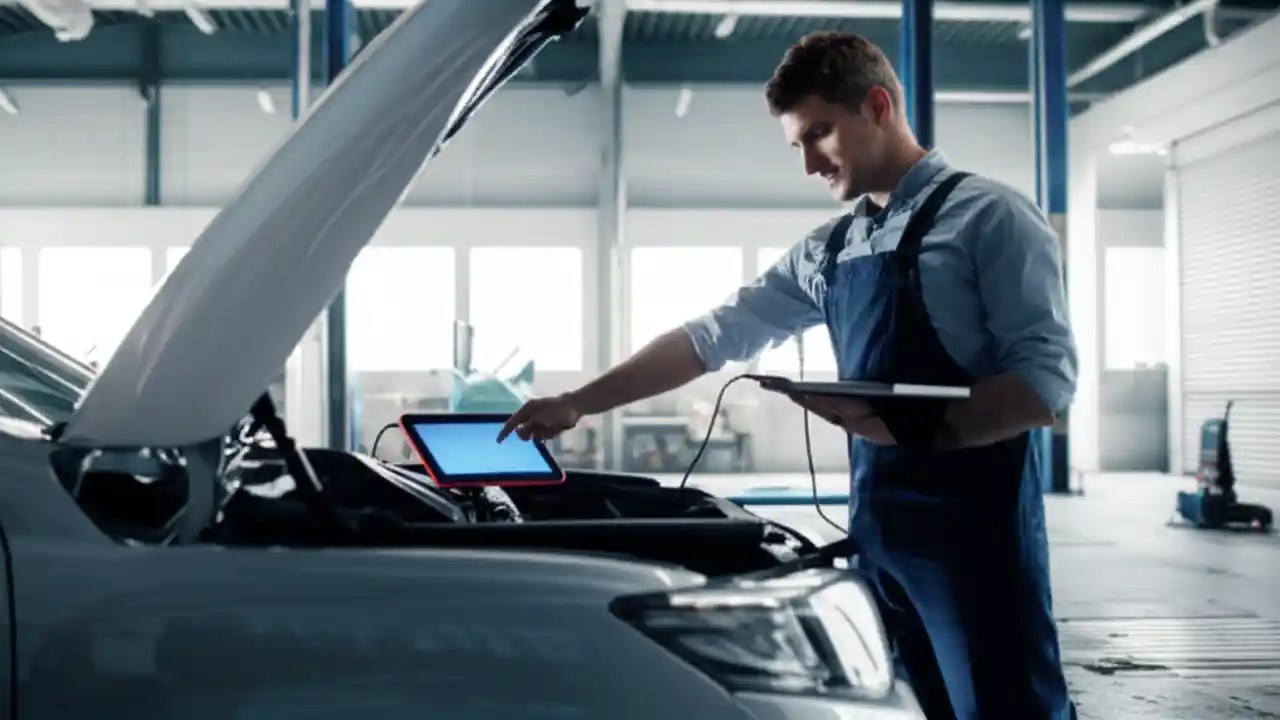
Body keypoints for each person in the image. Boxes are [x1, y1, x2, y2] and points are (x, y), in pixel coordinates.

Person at [499, 31, 1077, 720]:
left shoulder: (991, 218)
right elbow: (711, 337)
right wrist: (579, 402)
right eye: (797, 145)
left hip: (977, 543)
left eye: (819, 135)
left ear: (878, 105)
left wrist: (920, 432)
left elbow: (1045, 382)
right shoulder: (829, 250)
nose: (808, 165)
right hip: (879, 538)